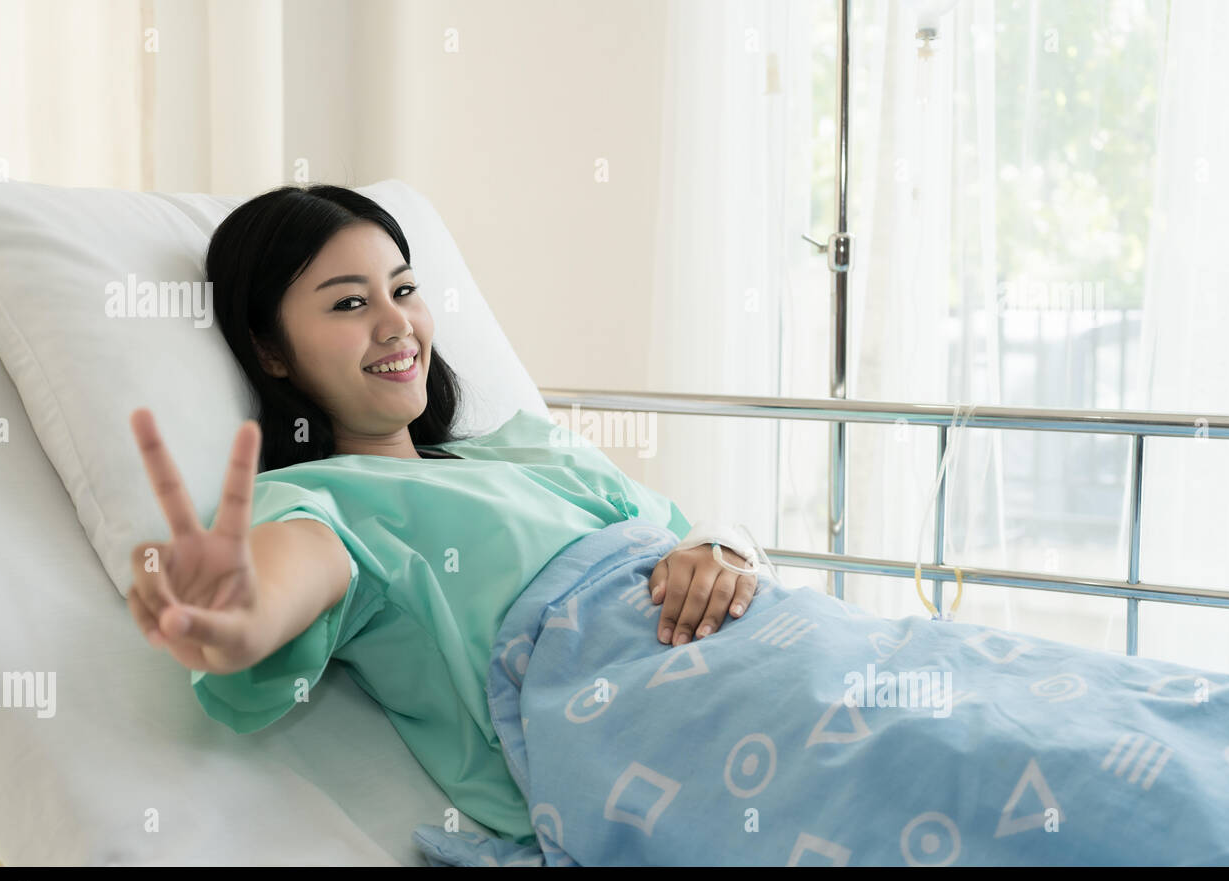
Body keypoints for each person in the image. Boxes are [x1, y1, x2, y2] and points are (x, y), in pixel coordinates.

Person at [123, 184, 762, 845]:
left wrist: (721, 551)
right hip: (688, 748)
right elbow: (289, 570)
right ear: (271, 352)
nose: (396, 323)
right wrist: (233, 607)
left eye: (402, 291)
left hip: (775, 649)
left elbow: (694, 534)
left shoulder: (527, 445)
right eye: (349, 303)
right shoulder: (325, 502)